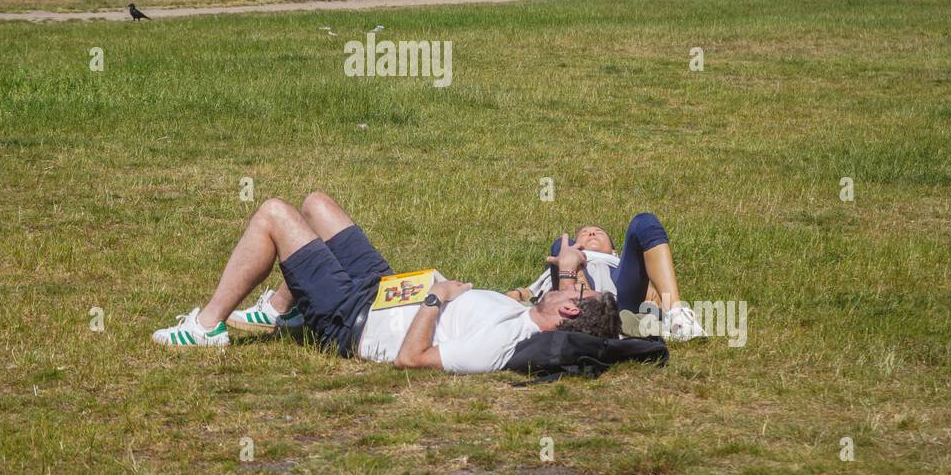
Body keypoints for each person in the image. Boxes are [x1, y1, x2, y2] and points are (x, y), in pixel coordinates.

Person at [151, 191, 619, 373]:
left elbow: (410, 359)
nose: (576, 283)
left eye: (580, 290)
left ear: (571, 311)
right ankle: (283, 310)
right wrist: (567, 269)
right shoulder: (529, 311)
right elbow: (558, 283)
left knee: (274, 214)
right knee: (316, 203)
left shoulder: (504, 342)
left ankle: (207, 326)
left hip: (353, 318)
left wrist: (437, 297)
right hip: (387, 288)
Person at [504, 217, 706, 341]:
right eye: (584, 233)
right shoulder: (563, 258)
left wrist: (661, 306)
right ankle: (585, 314)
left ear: (615, 251)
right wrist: (514, 295)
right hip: (574, 288)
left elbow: (652, 296)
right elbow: (529, 292)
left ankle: (680, 318)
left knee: (644, 222)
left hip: (622, 297)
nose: (591, 232)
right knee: (562, 245)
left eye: (598, 232)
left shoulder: (619, 263)